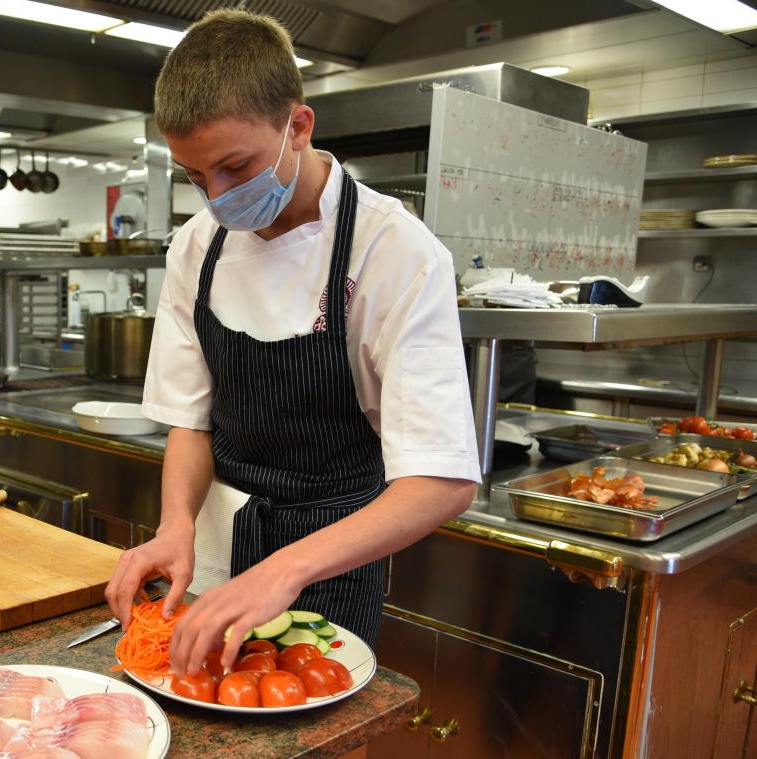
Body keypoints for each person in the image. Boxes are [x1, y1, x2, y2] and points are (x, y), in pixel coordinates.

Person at [105, 9, 482, 677]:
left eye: (235, 166)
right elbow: (191, 420)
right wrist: (175, 527)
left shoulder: (394, 251)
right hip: (218, 552)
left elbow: (442, 479)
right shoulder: (196, 247)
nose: (217, 197)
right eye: (196, 177)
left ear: (299, 127)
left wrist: (284, 569)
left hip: (332, 565)